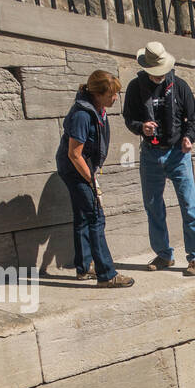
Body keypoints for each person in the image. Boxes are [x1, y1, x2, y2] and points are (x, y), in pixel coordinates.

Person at [122, 42, 195, 277]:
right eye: (154, 73)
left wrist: (189, 138)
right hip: (150, 153)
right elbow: (129, 118)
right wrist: (141, 127)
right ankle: (164, 254)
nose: (158, 77)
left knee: (189, 205)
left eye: (161, 72)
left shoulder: (179, 86)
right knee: (153, 206)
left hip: (178, 153)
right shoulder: (136, 88)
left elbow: (194, 120)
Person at [55, 70, 135, 287]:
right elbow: (74, 154)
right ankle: (107, 274)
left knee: (83, 215)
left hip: (81, 167)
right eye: (112, 94)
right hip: (75, 169)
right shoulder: (82, 115)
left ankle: (83, 267)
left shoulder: (97, 109)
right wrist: (91, 181)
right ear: (98, 94)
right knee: (96, 217)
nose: (115, 98)